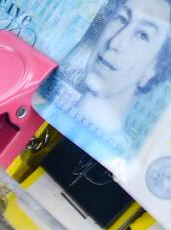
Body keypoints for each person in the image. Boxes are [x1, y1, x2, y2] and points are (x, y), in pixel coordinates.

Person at [62, 0, 171, 148]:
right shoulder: (45, 104)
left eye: (142, 35)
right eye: (121, 19)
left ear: (155, 68)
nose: (115, 42)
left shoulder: (120, 162)